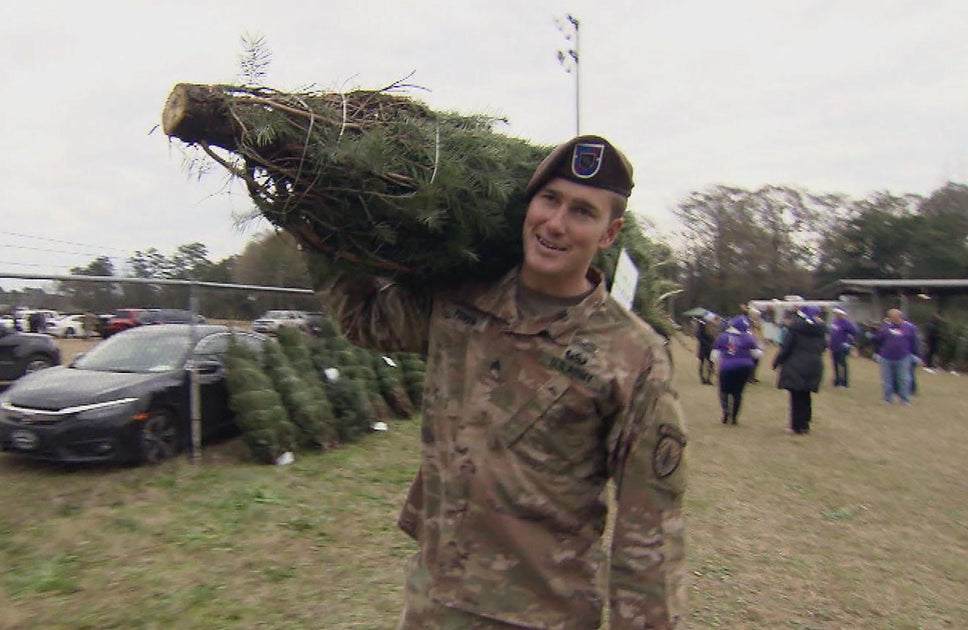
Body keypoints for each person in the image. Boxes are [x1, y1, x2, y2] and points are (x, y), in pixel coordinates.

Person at [320, 135, 686, 629]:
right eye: (549, 200)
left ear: (609, 233)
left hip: (544, 614)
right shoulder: (460, 300)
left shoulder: (634, 355)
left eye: (582, 212)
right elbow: (364, 319)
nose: (555, 223)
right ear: (528, 206)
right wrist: (318, 218)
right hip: (435, 602)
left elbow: (651, 529)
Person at [772, 305, 828, 435]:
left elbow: (786, 348)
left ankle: (795, 426)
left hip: (796, 364)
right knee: (806, 395)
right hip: (814, 365)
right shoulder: (820, 331)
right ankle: (805, 424)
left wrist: (777, 362)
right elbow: (823, 347)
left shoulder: (795, 329)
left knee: (796, 396)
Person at [711, 315, 762, 425]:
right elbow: (757, 354)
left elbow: (714, 355)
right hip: (745, 368)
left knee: (724, 391)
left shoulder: (723, 337)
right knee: (738, 393)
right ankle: (734, 418)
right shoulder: (749, 337)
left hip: (727, 367)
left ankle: (725, 413)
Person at [873, 308, 920, 404]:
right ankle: (887, 399)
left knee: (903, 379)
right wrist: (877, 352)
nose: (892, 320)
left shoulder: (910, 328)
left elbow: (914, 342)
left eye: (894, 318)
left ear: (899, 317)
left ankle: (905, 399)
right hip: (886, 357)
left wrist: (917, 355)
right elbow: (878, 340)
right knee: (887, 379)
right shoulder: (885, 328)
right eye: (890, 318)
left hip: (903, 357)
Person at [828, 307, 861, 387]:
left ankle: (844, 382)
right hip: (833, 347)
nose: (836, 315)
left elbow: (855, 332)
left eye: (837, 313)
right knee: (835, 365)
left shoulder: (846, 323)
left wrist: (851, 343)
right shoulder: (834, 322)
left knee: (842, 365)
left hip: (842, 347)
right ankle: (837, 380)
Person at [695, 313, 717, 385]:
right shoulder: (702, 325)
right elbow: (699, 336)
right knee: (702, 363)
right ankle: (702, 379)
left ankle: (708, 378)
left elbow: (714, 336)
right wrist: (706, 344)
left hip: (711, 347)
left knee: (711, 363)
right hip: (703, 347)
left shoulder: (713, 326)